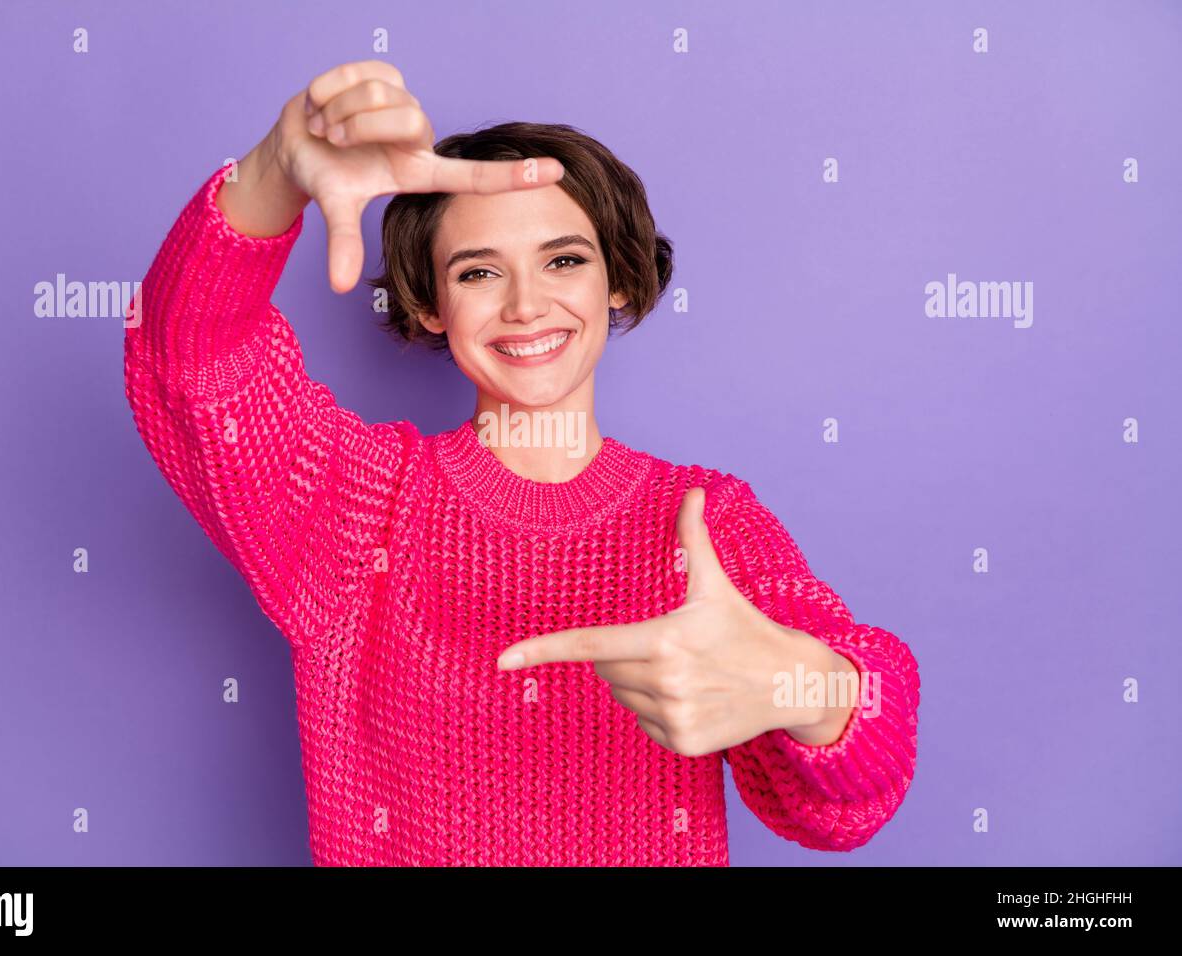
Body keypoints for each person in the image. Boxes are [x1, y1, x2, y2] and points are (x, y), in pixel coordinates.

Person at [123, 58, 920, 866]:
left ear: (619, 279)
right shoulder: (357, 503)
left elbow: (846, 806)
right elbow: (186, 361)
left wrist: (805, 684)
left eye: (565, 260)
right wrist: (272, 173)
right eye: (478, 272)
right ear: (430, 303)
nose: (527, 304)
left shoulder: (704, 521)